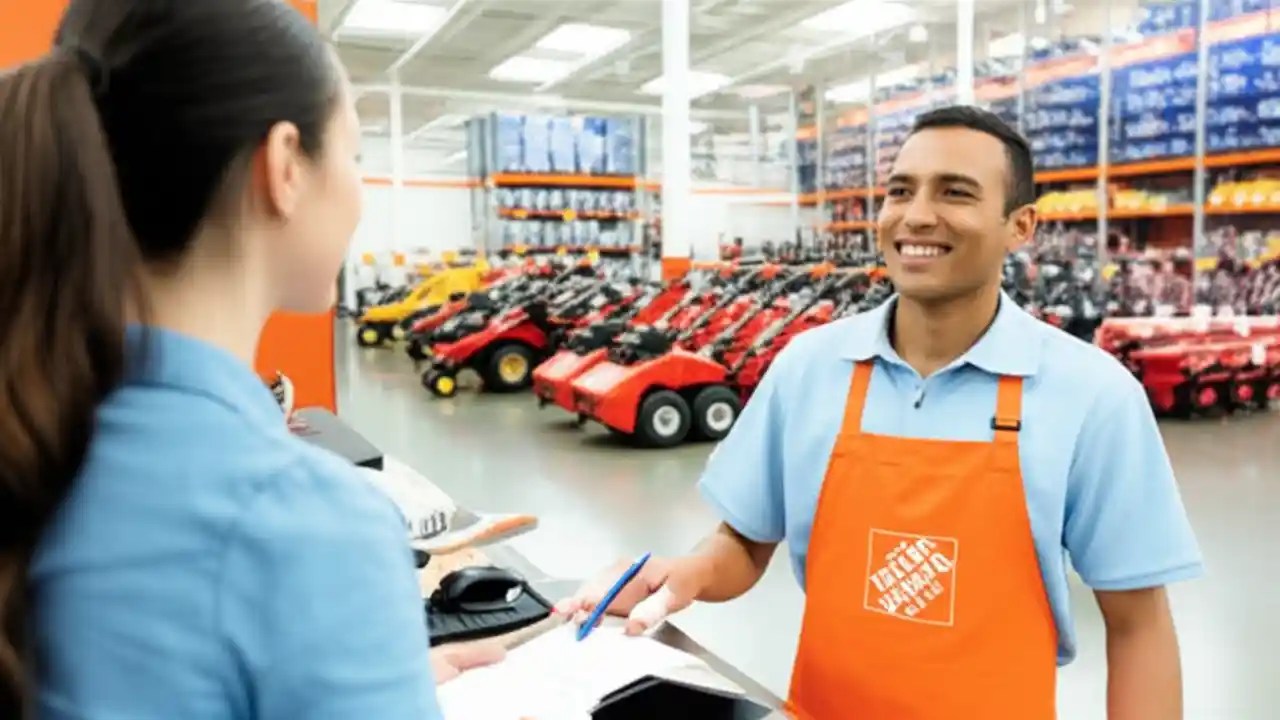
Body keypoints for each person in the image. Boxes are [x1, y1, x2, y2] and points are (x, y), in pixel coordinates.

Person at [558, 106, 1203, 718]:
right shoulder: (809, 367)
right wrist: (684, 573)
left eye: (955, 193)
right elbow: (745, 542)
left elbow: (1138, 623)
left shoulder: (1091, 394)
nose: (917, 215)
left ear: (1021, 226)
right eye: (900, 191)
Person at [0, 2, 499, 718]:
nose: (358, 191)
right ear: (284, 165)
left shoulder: (38, 440)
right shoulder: (310, 528)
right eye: (354, 155)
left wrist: (356, 669)